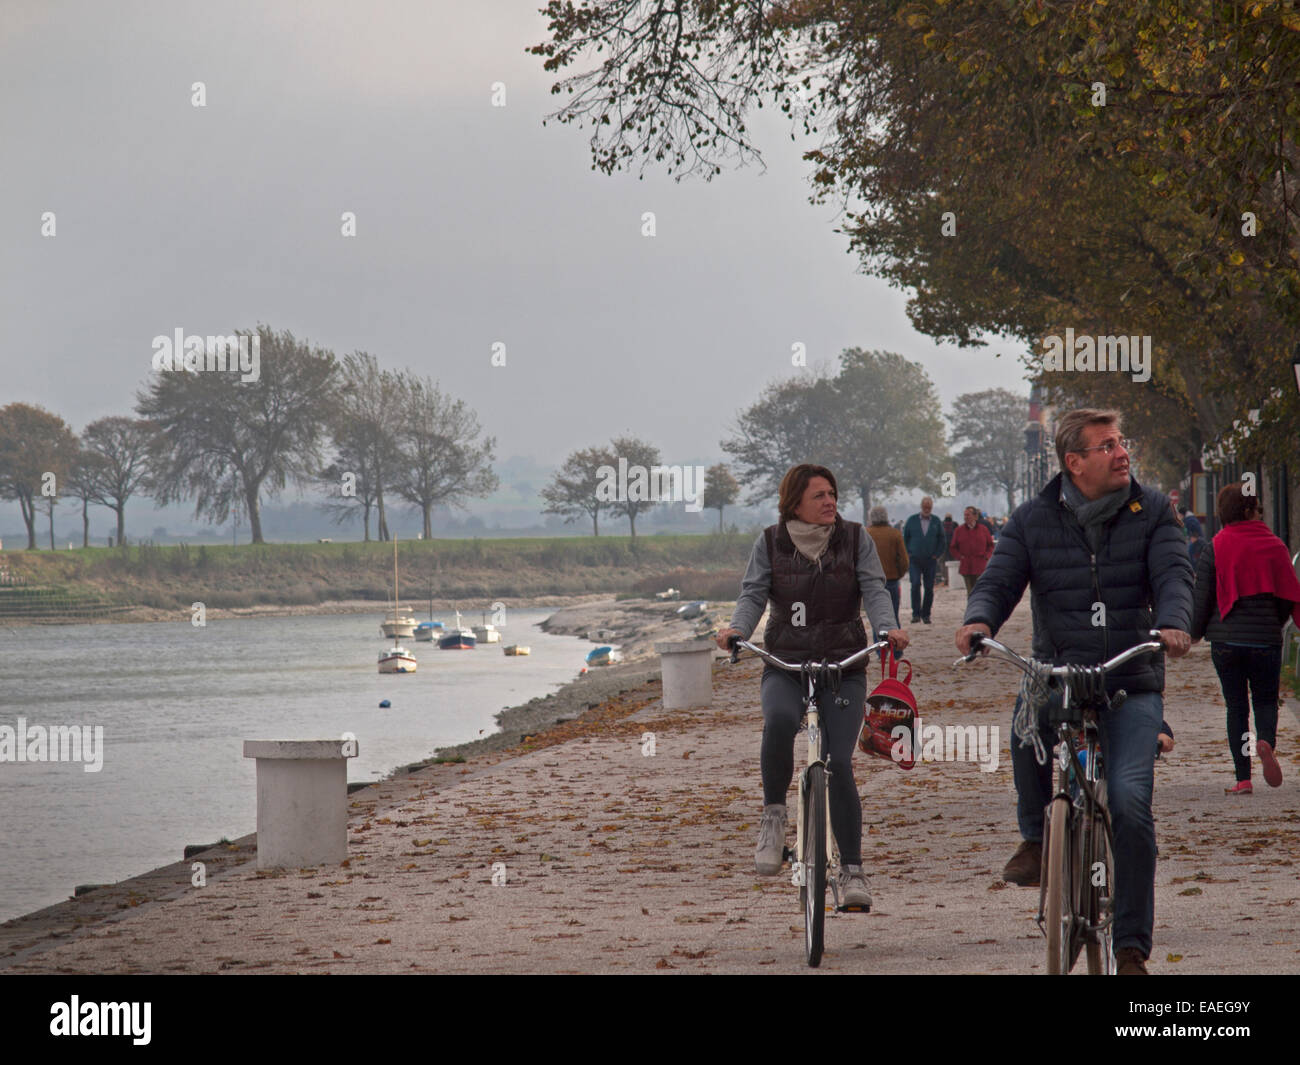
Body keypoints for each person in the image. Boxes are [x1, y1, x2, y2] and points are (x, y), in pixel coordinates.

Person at [955, 409, 1193, 975]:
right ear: (1074, 462)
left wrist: (1176, 622)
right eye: (1107, 445)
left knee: (1132, 804)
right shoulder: (1032, 518)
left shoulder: (1154, 510)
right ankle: (1039, 837)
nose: (1121, 452)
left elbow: (1174, 576)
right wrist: (978, 621)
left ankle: (1132, 945)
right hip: (1057, 673)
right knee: (1024, 724)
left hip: (1130, 680)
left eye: (1122, 442)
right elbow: (999, 579)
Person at [716, 465, 907, 910]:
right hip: (786, 662)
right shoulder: (770, 542)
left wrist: (888, 629)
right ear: (794, 503)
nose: (830, 502)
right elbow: (753, 594)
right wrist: (736, 629)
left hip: (845, 663)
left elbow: (875, 590)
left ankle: (854, 871)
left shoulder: (856, 538)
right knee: (780, 720)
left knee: (838, 761)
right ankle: (773, 817)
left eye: (832, 494)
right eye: (819, 495)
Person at [1189, 482, 1300, 793]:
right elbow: (1286, 596)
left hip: (1226, 642)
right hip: (1265, 640)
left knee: (1236, 707)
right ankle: (1265, 741)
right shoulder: (1275, 546)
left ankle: (1243, 778)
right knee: (1265, 700)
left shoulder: (1216, 546)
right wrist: (1272, 624)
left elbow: (1203, 597)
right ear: (1251, 511)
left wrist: (1195, 633)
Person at [903, 496, 945, 624]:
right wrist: (908, 553)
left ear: (931, 507)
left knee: (929, 587)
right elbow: (905, 539)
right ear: (921, 506)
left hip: (930, 560)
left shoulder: (936, 521)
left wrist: (936, 555)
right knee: (915, 584)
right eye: (925, 506)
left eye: (929, 506)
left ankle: (926, 614)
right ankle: (916, 614)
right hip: (914, 559)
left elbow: (942, 541)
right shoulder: (912, 520)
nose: (927, 508)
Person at [865, 505, 908, 625]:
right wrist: (899, 574)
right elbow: (904, 560)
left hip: (872, 582)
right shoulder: (895, 534)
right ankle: (895, 643)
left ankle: (878, 642)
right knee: (893, 616)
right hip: (892, 580)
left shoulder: (866, 534)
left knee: (877, 618)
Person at [949, 505, 994, 594]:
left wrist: (986, 556)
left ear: (975, 516)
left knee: (980, 591)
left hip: (980, 565)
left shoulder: (983, 530)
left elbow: (990, 546)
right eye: (965, 515)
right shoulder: (959, 530)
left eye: (968, 515)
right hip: (966, 566)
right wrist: (959, 557)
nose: (966, 517)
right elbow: (953, 547)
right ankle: (972, 607)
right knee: (970, 592)